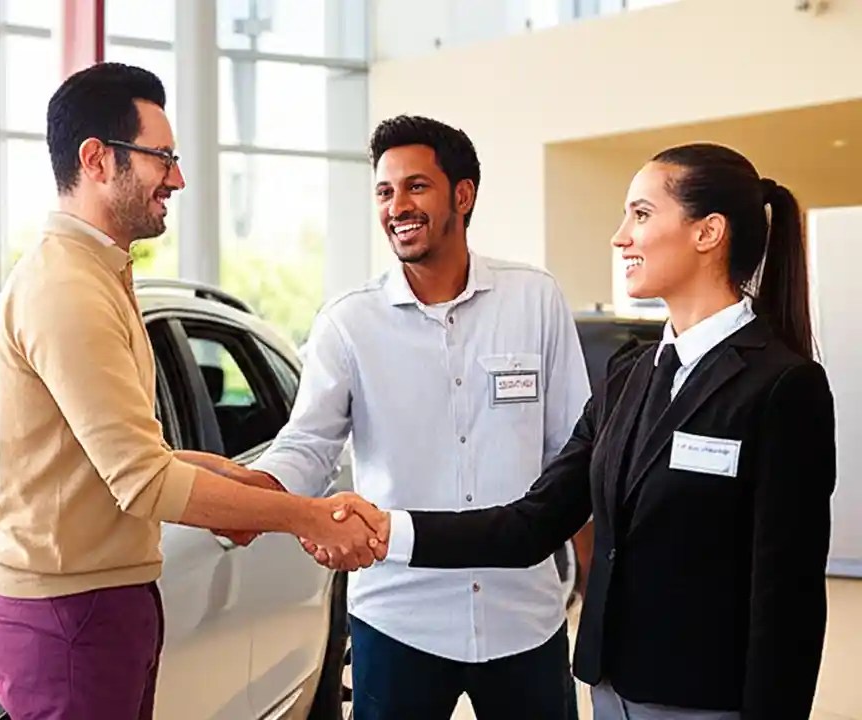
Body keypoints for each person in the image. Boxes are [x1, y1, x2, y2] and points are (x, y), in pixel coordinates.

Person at [318, 142, 837, 720]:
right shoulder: (630, 375)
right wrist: (389, 531)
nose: (620, 237)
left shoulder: (784, 388)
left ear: (707, 232)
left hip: (708, 697)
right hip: (612, 688)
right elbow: (533, 523)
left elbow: (786, 600)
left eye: (640, 214)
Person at [0, 62, 386, 720]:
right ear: (98, 160)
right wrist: (307, 517)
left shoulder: (96, 274)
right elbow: (142, 482)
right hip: (68, 613)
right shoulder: (67, 289)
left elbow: (130, 455)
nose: (178, 177)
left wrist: (244, 489)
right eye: (161, 157)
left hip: (99, 603)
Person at [229, 114, 592, 719]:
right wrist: (260, 497)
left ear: (463, 194)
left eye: (416, 186)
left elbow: (572, 452)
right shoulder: (349, 321)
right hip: (398, 618)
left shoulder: (535, 299)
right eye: (384, 191)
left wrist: (598, 577)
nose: (398, 205)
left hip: (523, 615)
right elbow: (308, 444)